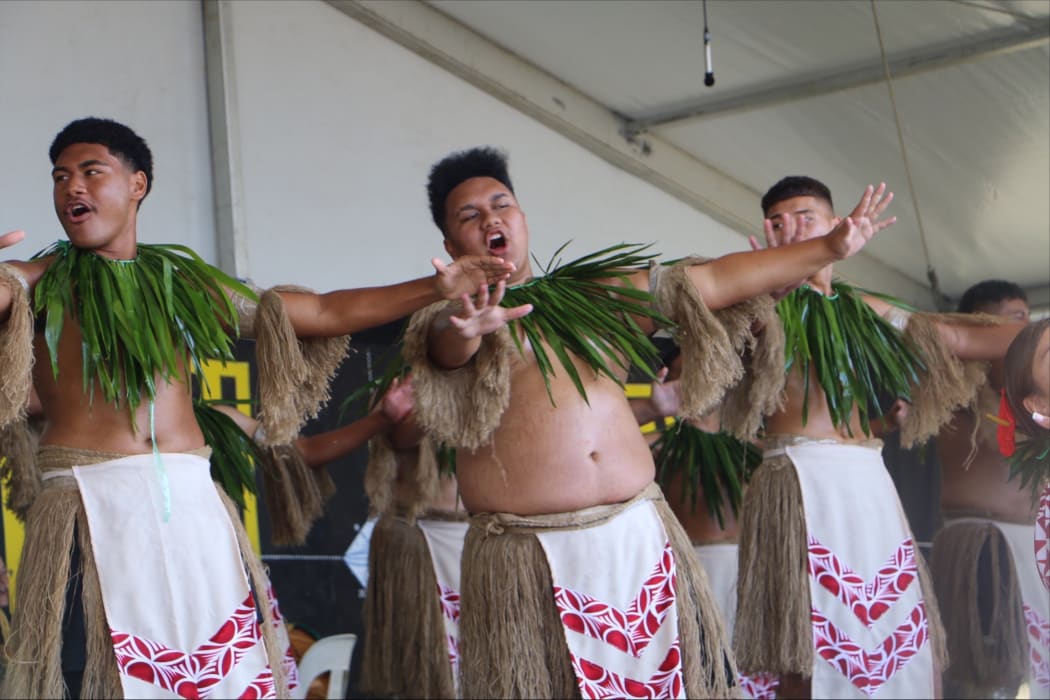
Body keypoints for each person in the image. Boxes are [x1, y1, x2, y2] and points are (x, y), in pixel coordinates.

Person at [0, 117, 513, 700]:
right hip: (86, 506)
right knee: (90, 672)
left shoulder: (185, 285)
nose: (73, 187)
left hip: (190, 507)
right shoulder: (37, 281)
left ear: (137, 183)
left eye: (92, 172)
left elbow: (318, 312)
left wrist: (433, 289)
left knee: (220, 672)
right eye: (60, 177)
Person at [401, 146, 893, 699]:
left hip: (635, 538)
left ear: (521, 218)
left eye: (501, 205)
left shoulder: (594, 297)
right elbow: (444, 351)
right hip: (528, 555)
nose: (491, 219)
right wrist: (466, 328)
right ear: (450, 246)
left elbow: (707, 280)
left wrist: (828, 247)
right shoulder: (446, 322)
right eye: (470, 216)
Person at [732, 176, 1028, 699]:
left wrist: (1037, 339)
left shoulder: (864, 310)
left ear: (835, 225)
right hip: (800, 476)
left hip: (867, 477)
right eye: (777, 222)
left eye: (804, 217)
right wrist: (770, 287)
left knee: (901, 626)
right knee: (811, 635)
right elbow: (712, 354)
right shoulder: (758, 303)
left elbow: (954, 336)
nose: (789, 228)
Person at [928, 280, 1047, 698]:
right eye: (1014, 318)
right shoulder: (955, 391)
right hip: (983, 541)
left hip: (1035, 545)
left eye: (1026, 317)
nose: (1024, 328)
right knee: (990, 673)